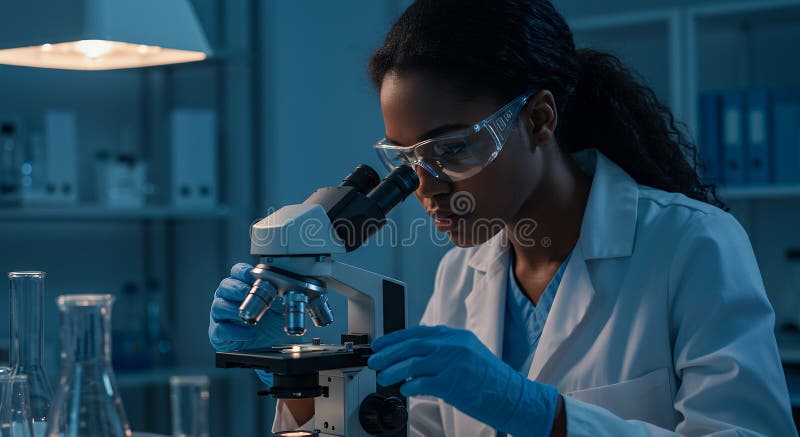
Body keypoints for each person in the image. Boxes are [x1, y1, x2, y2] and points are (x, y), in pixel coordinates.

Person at [209, 0, 796, 435]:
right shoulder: (463, 274)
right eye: (407, 159)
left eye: (452, 149)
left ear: (540, 119)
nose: (426, 187)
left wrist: (537, 411)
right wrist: (307, 388)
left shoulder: (692, 244)